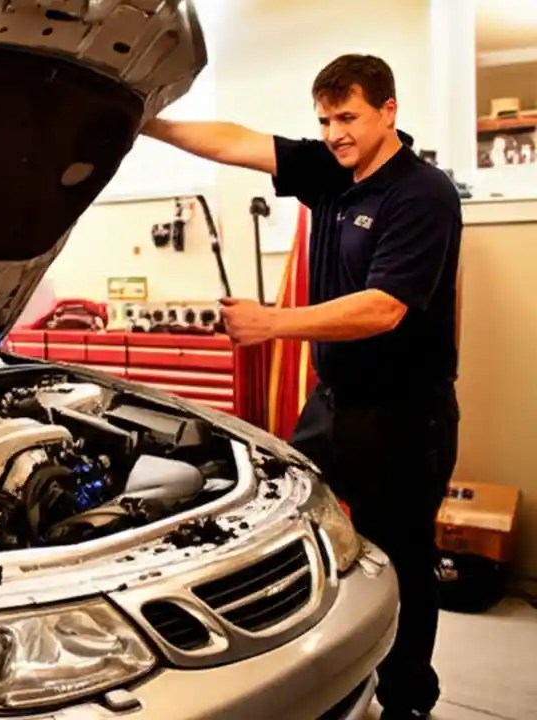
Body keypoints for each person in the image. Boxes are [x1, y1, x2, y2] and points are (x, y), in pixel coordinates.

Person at [141, 54, 461, 720]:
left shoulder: (421, 192)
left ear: (388, 111)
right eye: (325, 119)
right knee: (290, 523)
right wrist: (144, 124)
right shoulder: (331, 171)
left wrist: (272, 324)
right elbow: (234, 140)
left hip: (403, 416)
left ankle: (407, 701)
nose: (335, 131)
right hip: (333, 402)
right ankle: (314, 671)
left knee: (399, 558)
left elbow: (384, 307)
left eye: (348, 117)